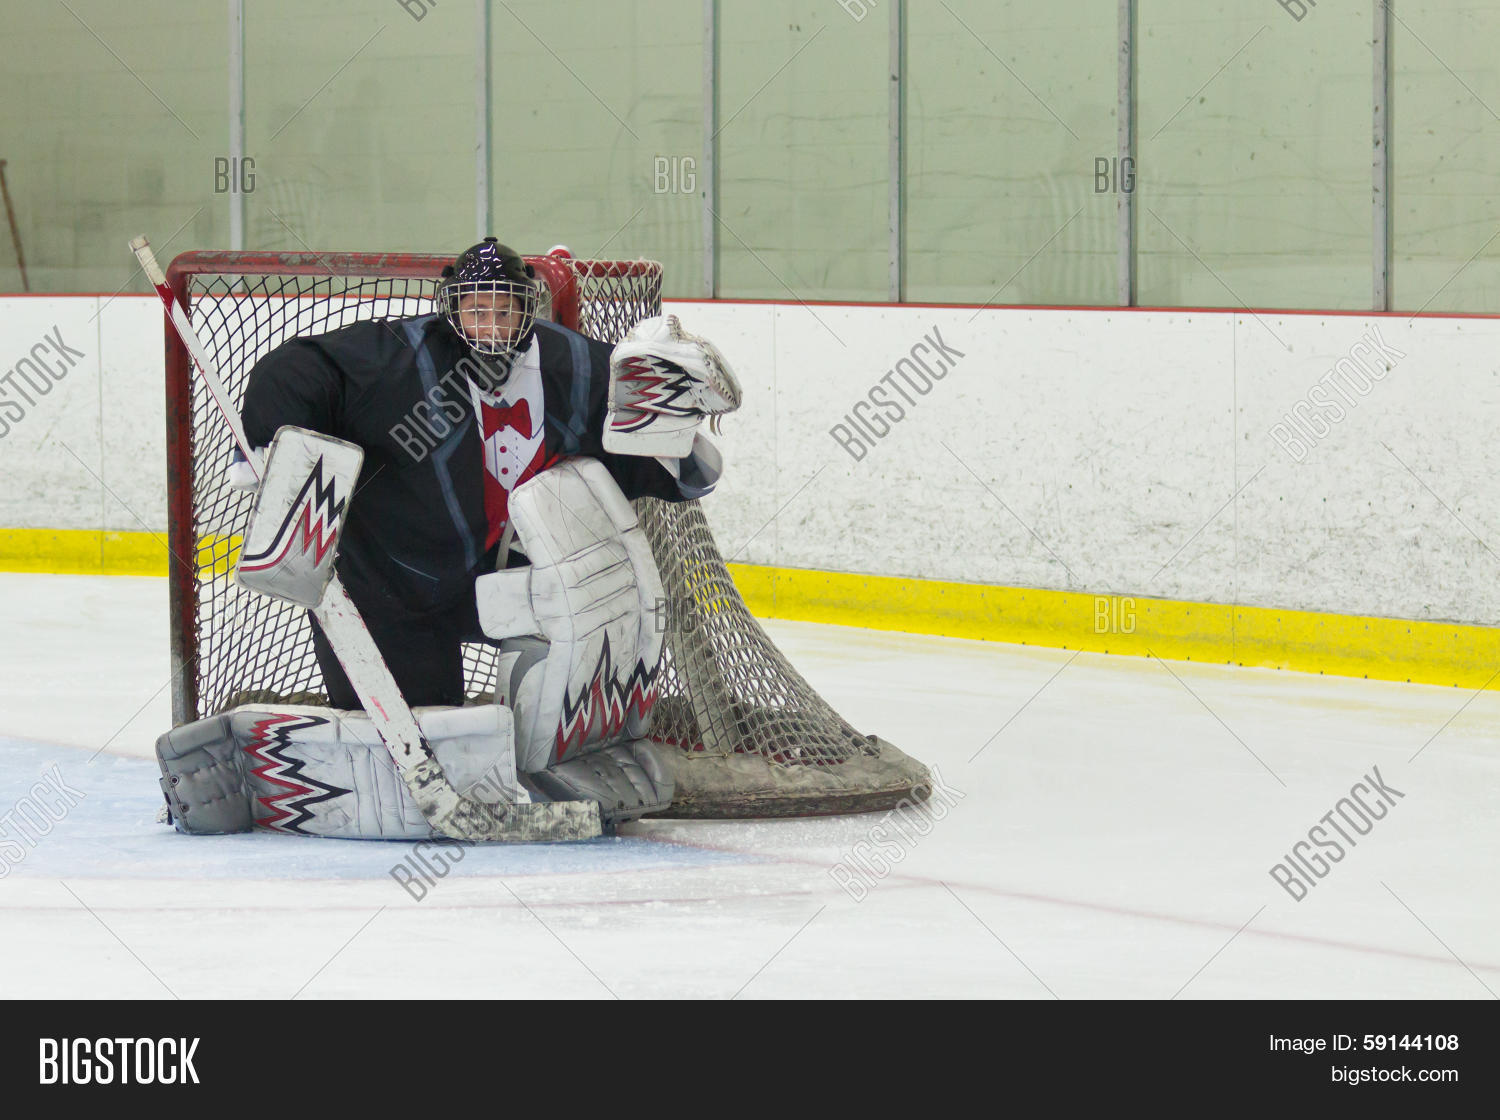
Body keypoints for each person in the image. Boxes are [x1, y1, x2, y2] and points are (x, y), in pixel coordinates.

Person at [238, 238, 723, 712]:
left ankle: (569, 746)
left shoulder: (570, 363)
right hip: (395, 585)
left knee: (587, 625)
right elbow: (298, 368)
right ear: (453, 311)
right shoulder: (400, 358)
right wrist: (271, 445)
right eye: (476, 311)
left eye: (503, 311)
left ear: (526, 309)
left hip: (505, 576)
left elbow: (636, 443)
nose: (491, 327)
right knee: (410, 731)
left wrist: (677, 439)